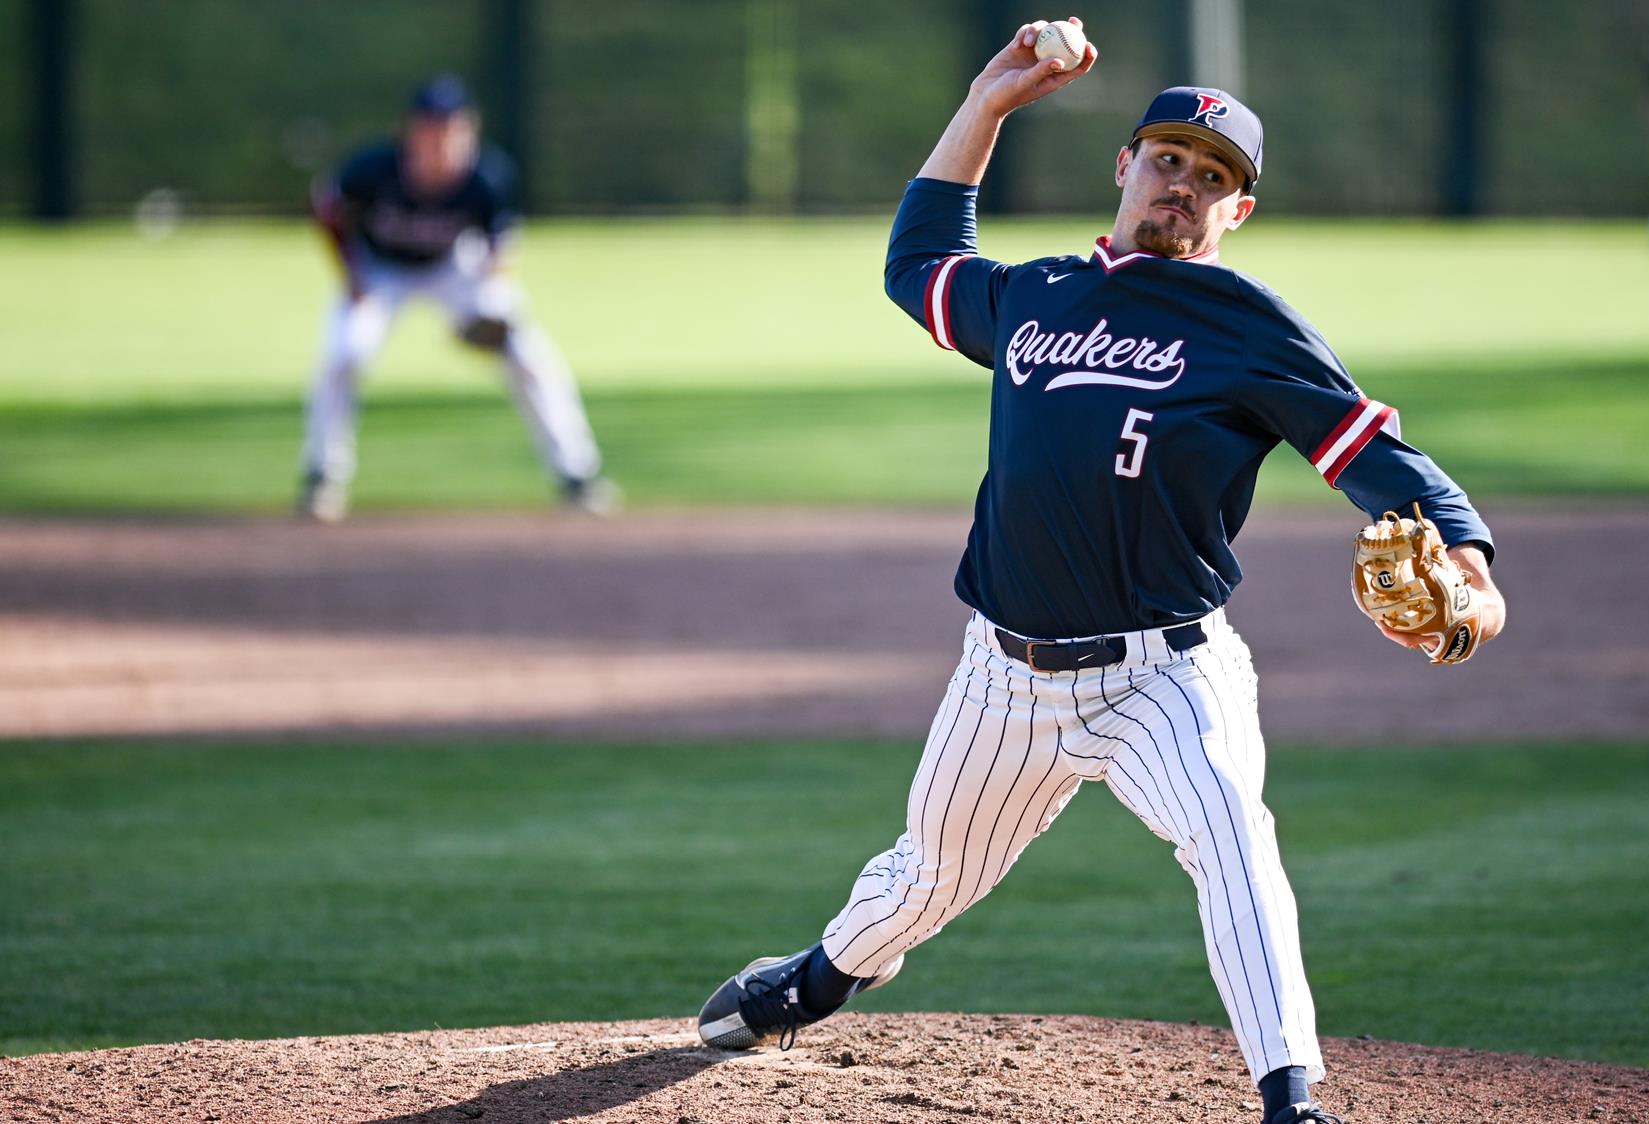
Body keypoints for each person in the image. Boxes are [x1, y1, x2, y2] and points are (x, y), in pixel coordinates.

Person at [694, 20, 1506, 1124]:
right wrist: (986, 104)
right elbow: (917, 266)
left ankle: (1290, 1096)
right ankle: (817, 978)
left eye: (1212, 177)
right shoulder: (1034, 294)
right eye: (1168, 159)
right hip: (1003, 676)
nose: (1183, 185)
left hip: (1166, 674)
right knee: (930, 873)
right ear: (1124, 166)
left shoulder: (1249, 326)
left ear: (1237, 211)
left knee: (1231, 840)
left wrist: (1466, 556)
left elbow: (1371, 450)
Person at [297, 74, 615, 522]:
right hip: (381, 270)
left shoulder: (488, 176)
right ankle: (321, 476)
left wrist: (485, 309)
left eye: (453, 127)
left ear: (470, 131)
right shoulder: (374, 168)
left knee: (529, 356)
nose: (443, 137)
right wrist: (351, 276)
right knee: (344, 353)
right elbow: (326, 208)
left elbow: (501, 252)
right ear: (411, 131)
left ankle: (577, 474)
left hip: (453, 269)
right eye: (432, 126)